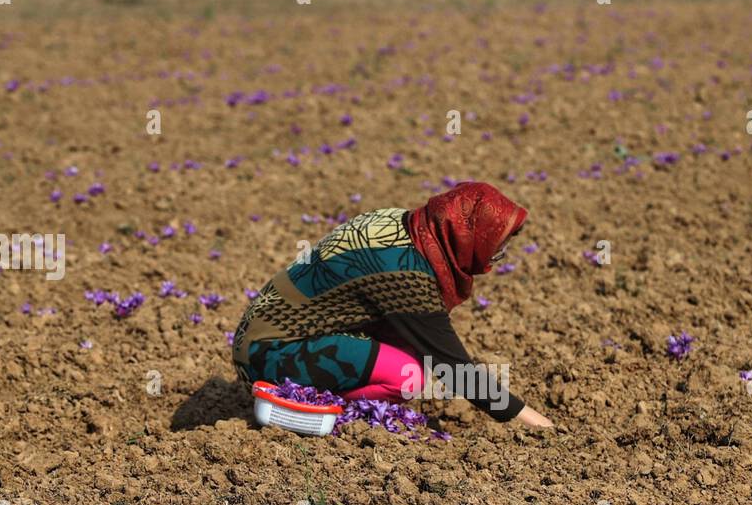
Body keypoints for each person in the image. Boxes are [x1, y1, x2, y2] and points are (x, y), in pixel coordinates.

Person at [232, 181, 553, 428]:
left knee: (412, 352)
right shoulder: (404, 274)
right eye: (496, 244)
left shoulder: (402, 225)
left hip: (265, 335)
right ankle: (306, 408)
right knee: (409, 376)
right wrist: (532, 421)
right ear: (468, 234)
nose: (497, 256)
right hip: (270, 354)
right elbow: (454, 368)